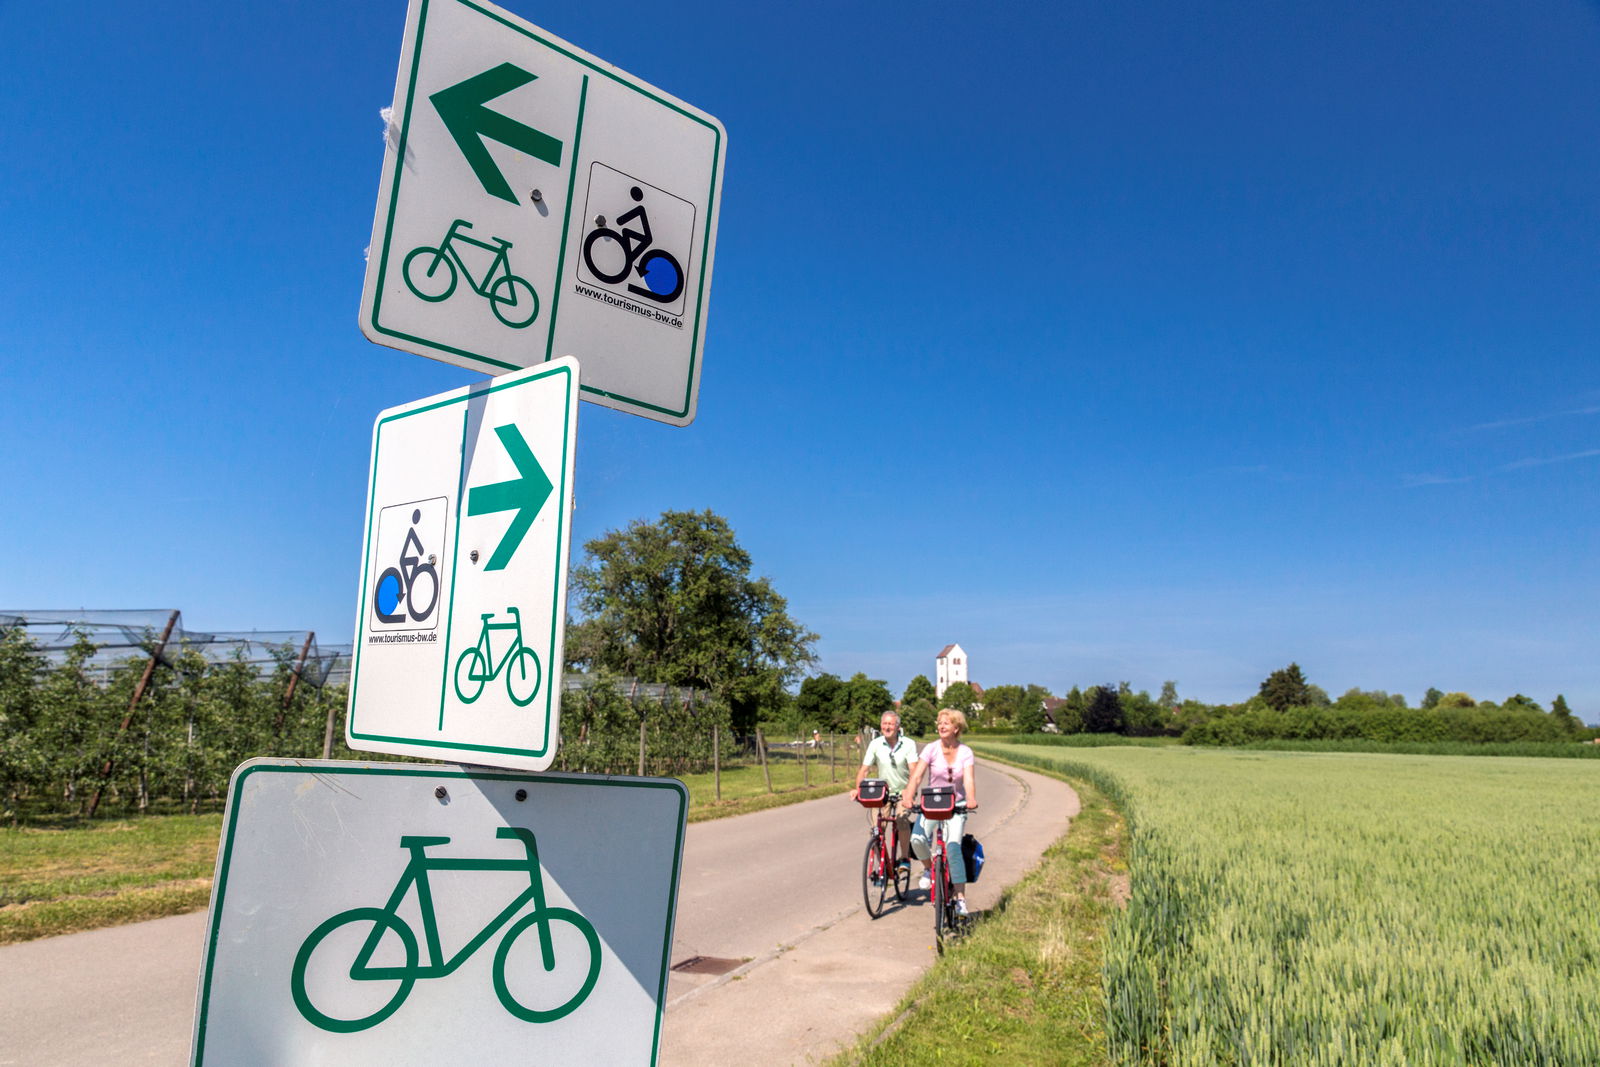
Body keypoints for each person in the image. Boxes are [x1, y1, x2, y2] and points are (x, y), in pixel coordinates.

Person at [903, 708, 979, 915]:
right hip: (931, 805)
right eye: (939, 723)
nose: (941, 726)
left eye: (946, 723)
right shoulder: (931, 749)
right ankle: (928, 868)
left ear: (956, 728)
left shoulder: (965, 752)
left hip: (956, 807)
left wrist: (970, 799)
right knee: (917, 839)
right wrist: (909, 795)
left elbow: (969, 780)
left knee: (953, 847)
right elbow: (917, 776)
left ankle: (960, 897)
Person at [852, 711, 918, 869]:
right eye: (884, 724)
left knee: (902, 821)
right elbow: (864, 770)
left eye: (891, 724)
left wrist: (909, 791)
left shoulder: (908, 744)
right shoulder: (875, 744)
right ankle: (883, 862)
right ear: (881, 726)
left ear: (897, 726)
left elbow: (914, 770)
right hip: (883, 792)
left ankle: (904, 858)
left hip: (904, 791)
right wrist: (858, 790)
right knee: (876, 829)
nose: (887, 727)